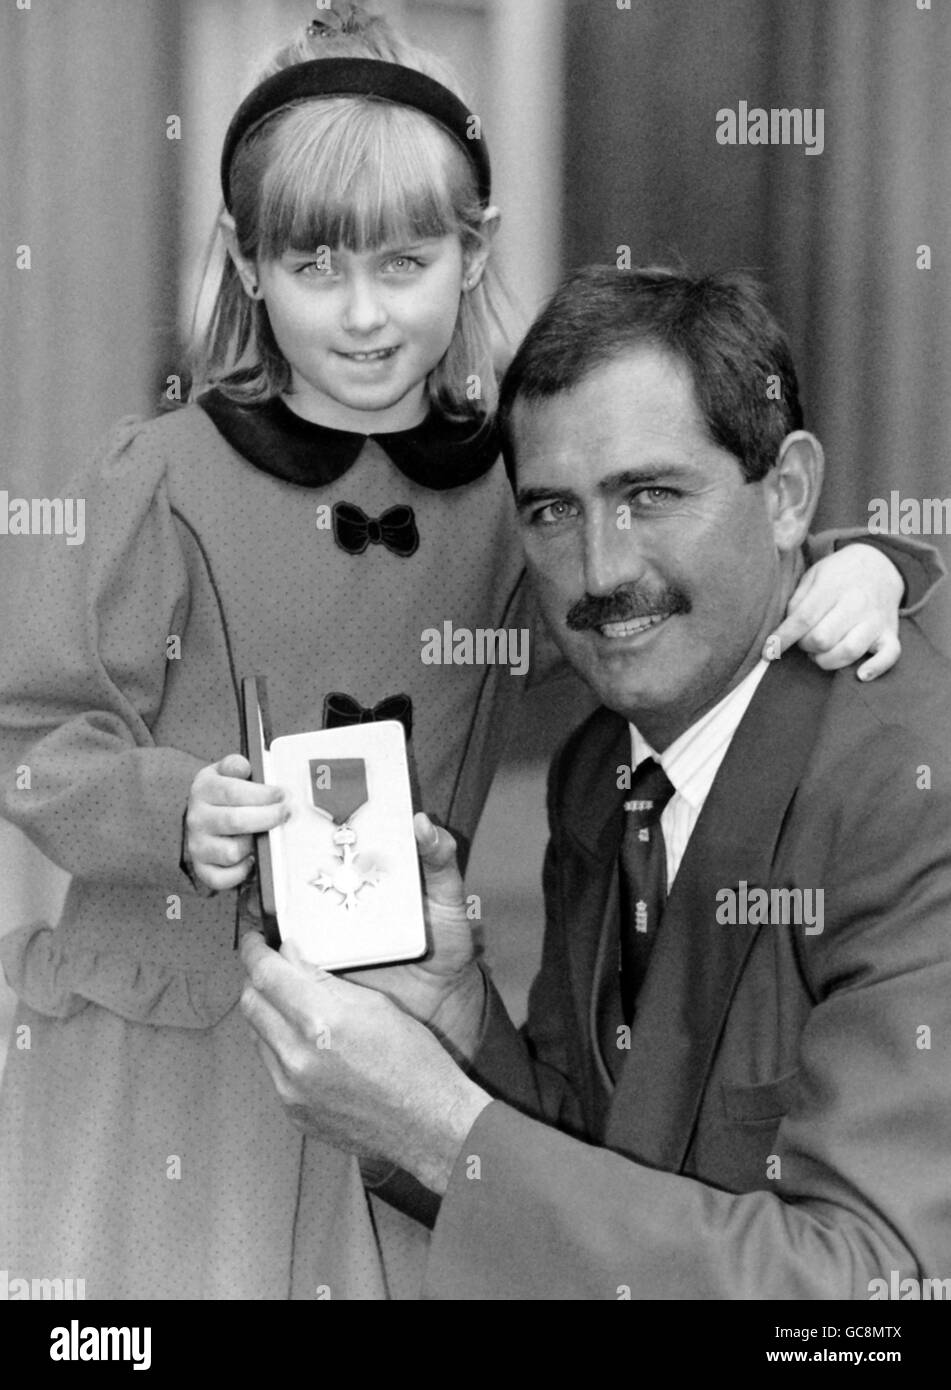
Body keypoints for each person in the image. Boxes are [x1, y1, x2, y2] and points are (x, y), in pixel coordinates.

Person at [0, 4, 935, 1301]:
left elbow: (668, 591)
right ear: (245, 260)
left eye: (404, 263)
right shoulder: (155, 481)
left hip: (389, 1022)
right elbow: (29, 724)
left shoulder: (508, 504)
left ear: (470, 250)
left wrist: (875, 562)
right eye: (316, 267)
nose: (366, 315)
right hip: (176, 1032)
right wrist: (171, 810)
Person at [240, 265, 951, 1301]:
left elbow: (878, 1302)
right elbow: (602, 1155)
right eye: (553, 512)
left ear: (789, 492)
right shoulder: (602, 771)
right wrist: (453, 1023)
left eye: (649, 495)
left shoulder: (910, 788)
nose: (600, 567)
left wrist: (444, 1129)